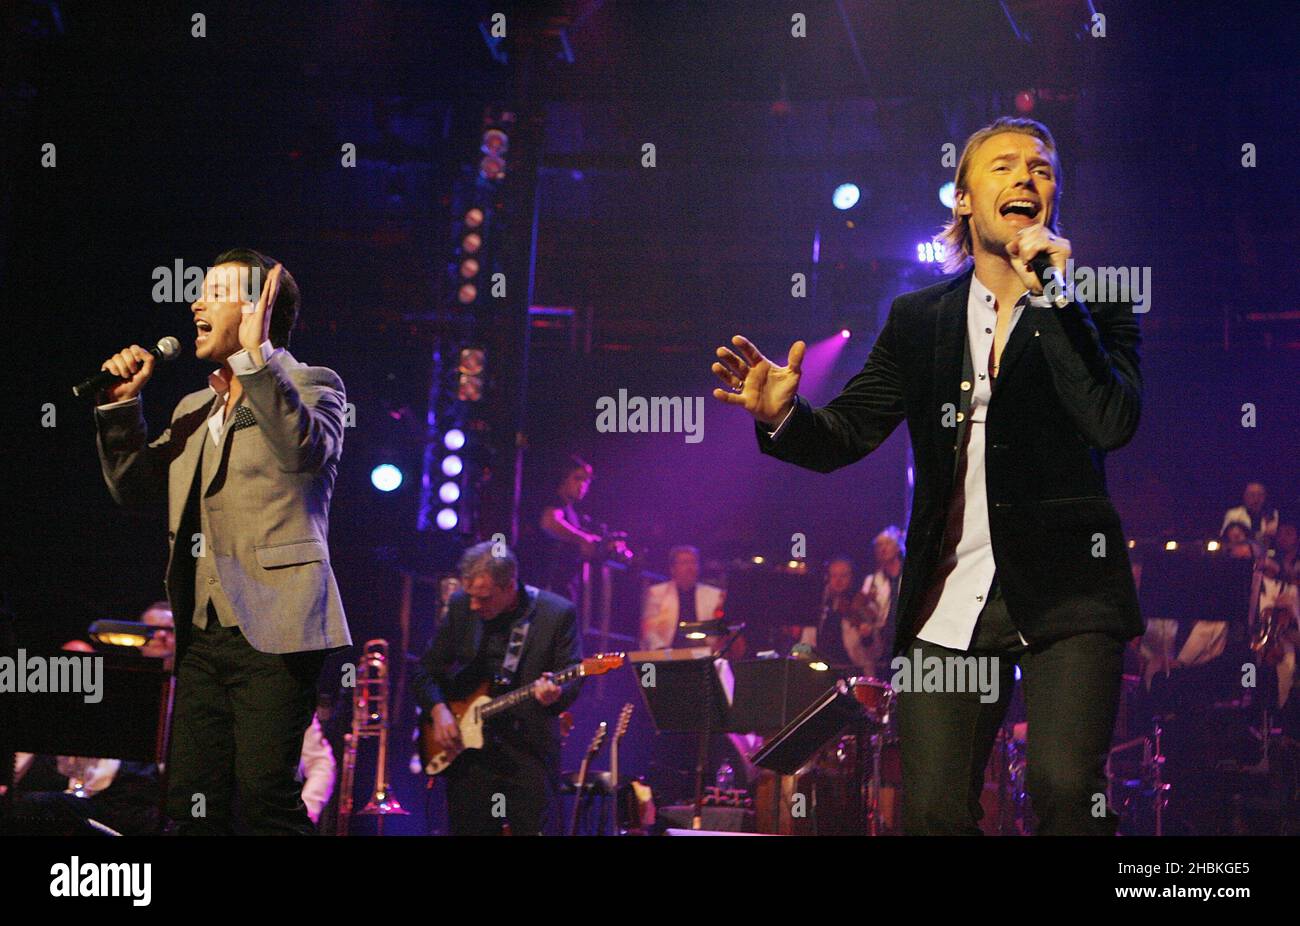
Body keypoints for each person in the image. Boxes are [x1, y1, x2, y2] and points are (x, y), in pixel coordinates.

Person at [711, 117, 1142, 835]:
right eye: (1003, 165)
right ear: (966, 200)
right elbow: (844, 434)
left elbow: (1111, 421)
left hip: (1069, 596)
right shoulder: (920, 320)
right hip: (948, 607)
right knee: (934, 812)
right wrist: (783, 417)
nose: (1025, 177)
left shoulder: (1092, 303)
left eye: (1040, 167)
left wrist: (1055, 297)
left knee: (1065, 789)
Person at [94, 250, 350, 834]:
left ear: (259, 309)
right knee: (189, 802)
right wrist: (120, 404)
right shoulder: (192, 409)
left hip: (277, 631)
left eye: (215, 291)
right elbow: (134, 488)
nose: (196, 302)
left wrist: (258, 359)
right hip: (202, 637)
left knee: (265, 797)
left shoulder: (315, 385)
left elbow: (300, 452)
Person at [412, 541, 582, 835]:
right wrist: (439, 711)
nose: (475, 605)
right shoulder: (462, 605)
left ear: (510, 586)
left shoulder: (556, 614)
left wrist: (554, 695)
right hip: (469, 755)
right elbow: (425, 672)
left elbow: (574, 676)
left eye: (485, 598)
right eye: (472, 596)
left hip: (528, 750)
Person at [640, 545, 725, 649]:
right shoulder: (656, 593)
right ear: (673, 569)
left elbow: (719, 628)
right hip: (667, 651)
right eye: (684, 563)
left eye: (693, 562)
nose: (690, 567)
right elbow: (649, 628)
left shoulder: (714, 595)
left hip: (704, 652)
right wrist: (660, 648)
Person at [800, 555, 873, 669]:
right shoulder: (819, 603)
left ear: (852, 577)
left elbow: (874, 651)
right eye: (834, 575)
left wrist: (867, 637)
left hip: (853, 671)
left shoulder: (862, 603)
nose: (838, 580)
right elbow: (806, 642)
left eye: (843, 575)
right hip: (821, 670)